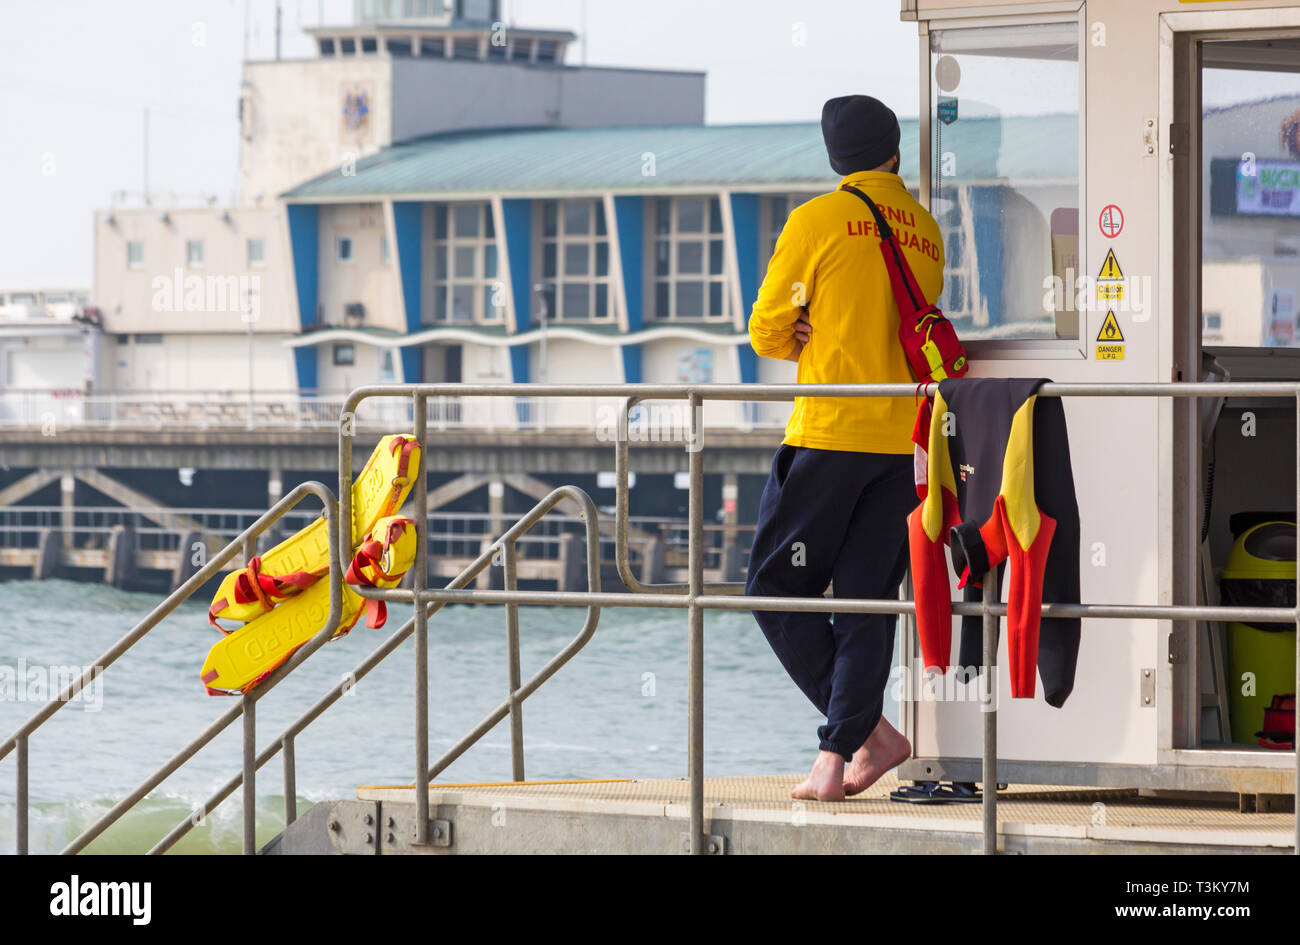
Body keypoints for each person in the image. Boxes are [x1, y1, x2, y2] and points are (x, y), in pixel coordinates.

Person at [745, 95, 945, 801]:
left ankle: (861, 740)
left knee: (774, 588)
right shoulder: (924, 230)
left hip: (830, 435)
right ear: (895, 152)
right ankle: (851, 748)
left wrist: (796, 330)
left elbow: (768, 328)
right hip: (902, 445)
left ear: (834, 159)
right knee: (866, 601)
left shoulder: (818, 220)